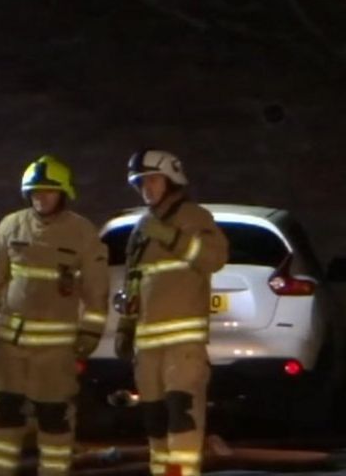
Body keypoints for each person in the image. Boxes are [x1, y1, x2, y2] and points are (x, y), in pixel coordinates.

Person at [0, 156, 109, 476]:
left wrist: (91, 331)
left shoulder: (81, 232)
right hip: (10, 344)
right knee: (4, 416)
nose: (40, 197)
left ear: (64, 194)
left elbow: (96, 289)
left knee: (54, 419)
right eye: (34, 191)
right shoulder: (12, 225)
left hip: (55, 351)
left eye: (47, 191)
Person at [114, 149, 228, 476]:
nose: (146, 188)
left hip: (183, 347)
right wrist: (125, 326)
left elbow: (213, 258)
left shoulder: (194, 217)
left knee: (182, 419)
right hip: (147, 348)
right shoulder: (142, 227)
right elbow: (134, 281)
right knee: (155, 424)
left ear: (171, 179)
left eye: (152, 180)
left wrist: (171, 237)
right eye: (140, 183)